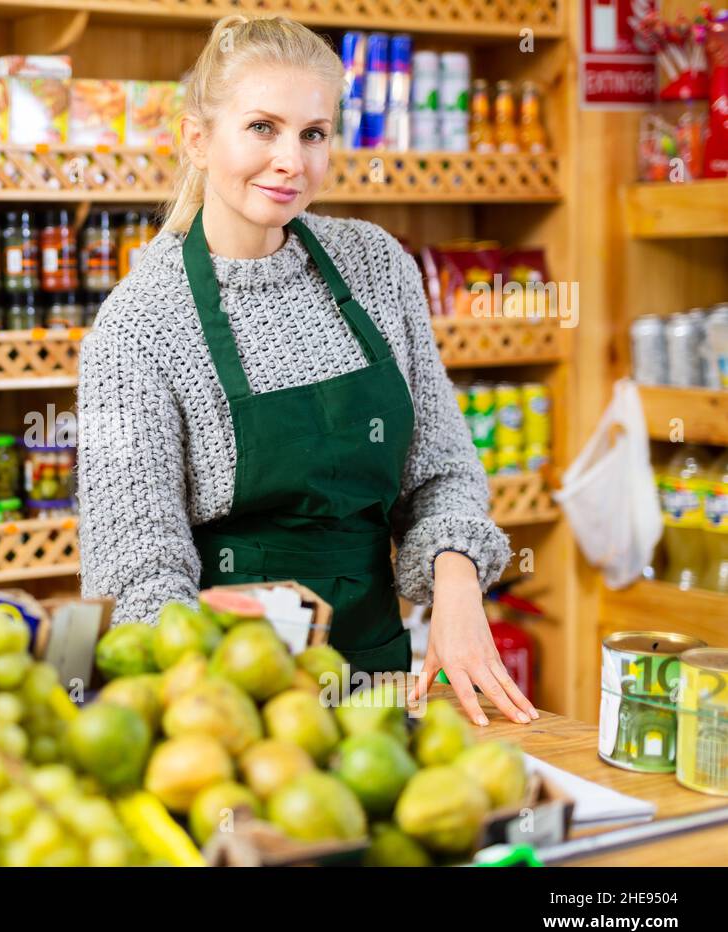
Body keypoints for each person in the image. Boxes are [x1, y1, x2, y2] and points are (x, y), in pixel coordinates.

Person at [75, 14, 537, 727]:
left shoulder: (376, 265)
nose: (291, 159)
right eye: (263, 127)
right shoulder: (139, 325)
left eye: (313, 133)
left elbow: (440, 473)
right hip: (225, 709)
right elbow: (136, 573)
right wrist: (235, 709)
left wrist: (455, 584)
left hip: (382, 691)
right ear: (197, 139)